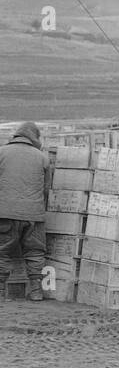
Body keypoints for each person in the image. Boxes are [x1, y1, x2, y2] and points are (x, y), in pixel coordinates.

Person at [0, 122, 54, 301]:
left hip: (5, 212)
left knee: (2, 251)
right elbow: (46, 190)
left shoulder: (1, 153)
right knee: (35, 252)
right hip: (34, 214)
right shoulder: (42, 158)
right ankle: (37, 292)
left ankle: (0, 292)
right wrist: (39, 211)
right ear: (35, 138)